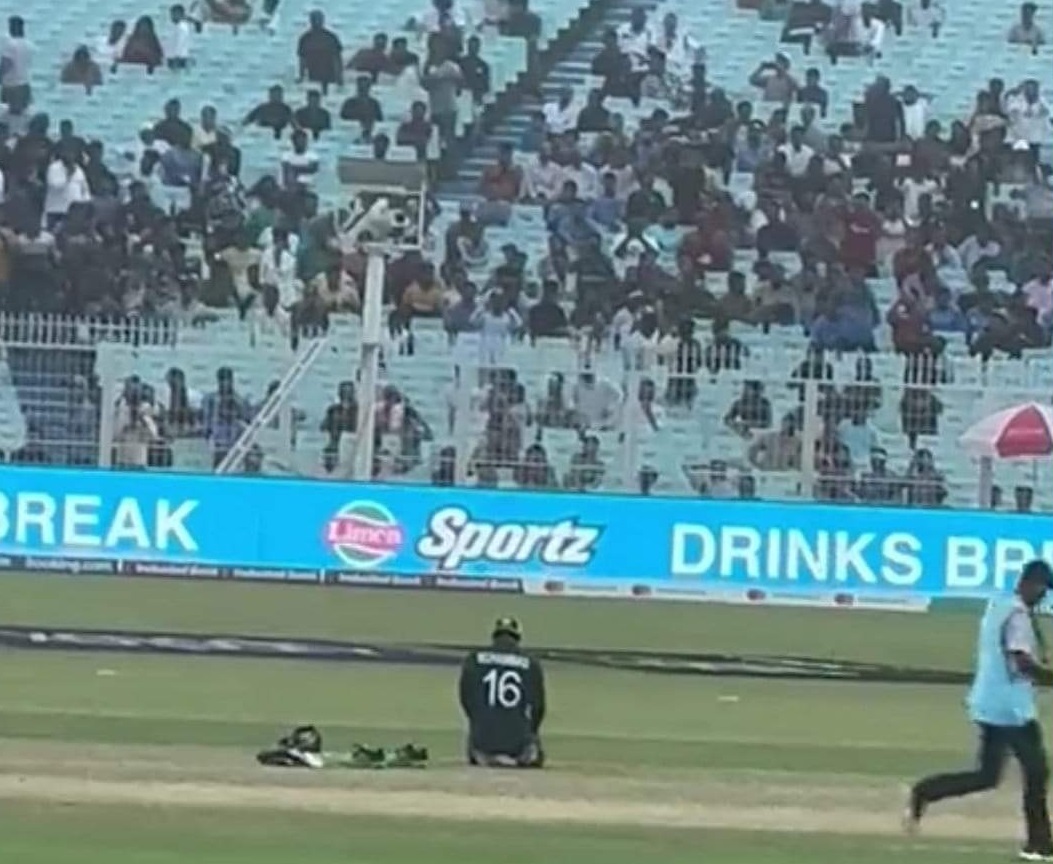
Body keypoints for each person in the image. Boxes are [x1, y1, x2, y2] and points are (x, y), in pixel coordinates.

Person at [906, 560, 1053, 862]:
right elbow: (1021, 661)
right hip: (1011, 709)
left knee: (987, 775)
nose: (1043, 596)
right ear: (1030, 583)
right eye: (1042, 589)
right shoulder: (1017, 616)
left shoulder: (999, 605)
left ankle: (926, 791)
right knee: (1037, 772)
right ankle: (1039, 844)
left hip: (989, 703)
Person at [458, 616, 546, 768]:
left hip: (482, 743)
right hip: (518, 744)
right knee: (533, 752)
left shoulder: (474, 659)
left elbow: (466, 698)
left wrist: (478, 722)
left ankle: (486, 754)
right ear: (517, 637)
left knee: (479, 748)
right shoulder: (531, 663)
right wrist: (531, 732)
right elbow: (538, 707)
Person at [298, 10, 343, 94]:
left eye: (318, 19)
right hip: (312, 75)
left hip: (330, 75)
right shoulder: (305, 39)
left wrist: (339, 76)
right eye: (314, 19)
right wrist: (301, 76)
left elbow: (337, 58)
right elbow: (302, 59)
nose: (316, 22)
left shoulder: (331, 38)